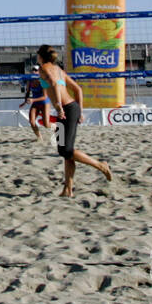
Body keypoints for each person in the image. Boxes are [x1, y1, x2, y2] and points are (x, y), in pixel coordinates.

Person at [36, 44, 112, 198]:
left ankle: (101, 166)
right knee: (66, 152)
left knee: (66, 150)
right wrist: (80, 111)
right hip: (71, 108)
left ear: (41, 56)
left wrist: (58, 106)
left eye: (37, 54)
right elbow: (78, 89)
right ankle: (68, 190)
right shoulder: (59, 70)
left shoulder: (43, 68)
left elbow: (54, 84)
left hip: (65, 110)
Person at [21, 65, 48, 140]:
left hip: (44, 102)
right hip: (36, 103)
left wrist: (32, 100)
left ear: (39, 72)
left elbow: (45, 96)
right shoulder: (30, 81)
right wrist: (24, 101)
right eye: (33, 70)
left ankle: (56, 127)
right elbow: (27, 93)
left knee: (46, 124)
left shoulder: (43, 81)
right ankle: (40, 138)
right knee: (32, 122)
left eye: (36, 70)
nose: (33, 71)